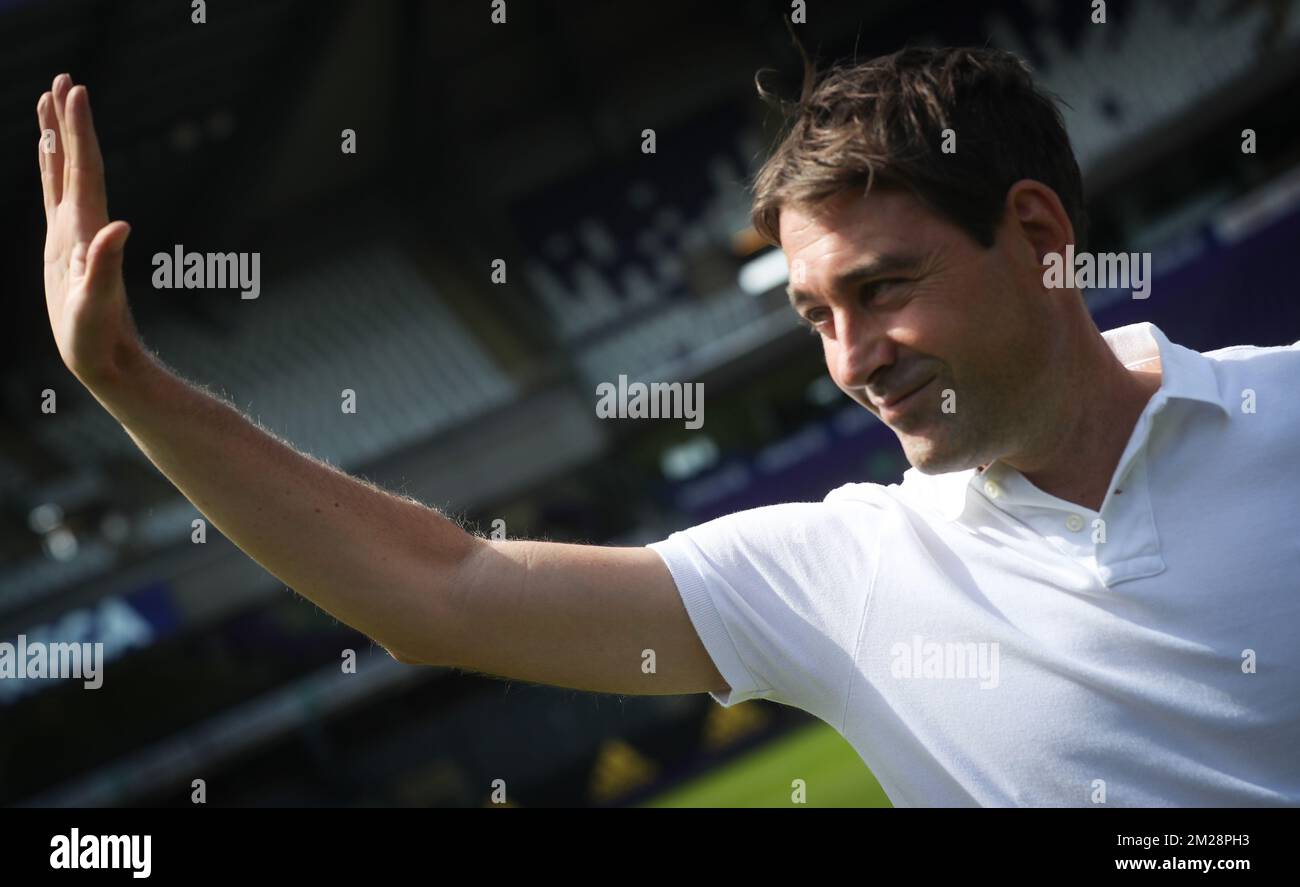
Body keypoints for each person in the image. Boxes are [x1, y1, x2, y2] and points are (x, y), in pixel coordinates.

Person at [35, 47, 1299, 807]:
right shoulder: (840, 575)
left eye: (881, 289)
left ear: (1036, 235)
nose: (851, 362)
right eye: (813, 315)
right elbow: (441, 590)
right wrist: (134, 383)